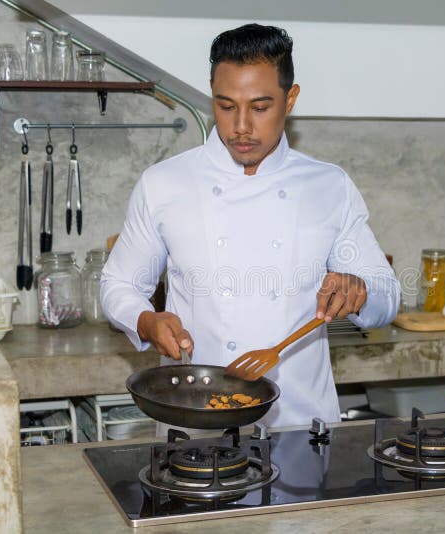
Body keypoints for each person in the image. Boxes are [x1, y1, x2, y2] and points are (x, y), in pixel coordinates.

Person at [101, 24, 399, 429]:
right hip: (196, 429)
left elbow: (387, 295)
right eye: (226, 106)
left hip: (301, 428)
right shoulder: (165, 184)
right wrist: (145, 320)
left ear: (289, 99)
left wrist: (359, 291)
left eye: (260, 107)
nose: (241, 126)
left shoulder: (329, 187)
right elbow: (118, 283)